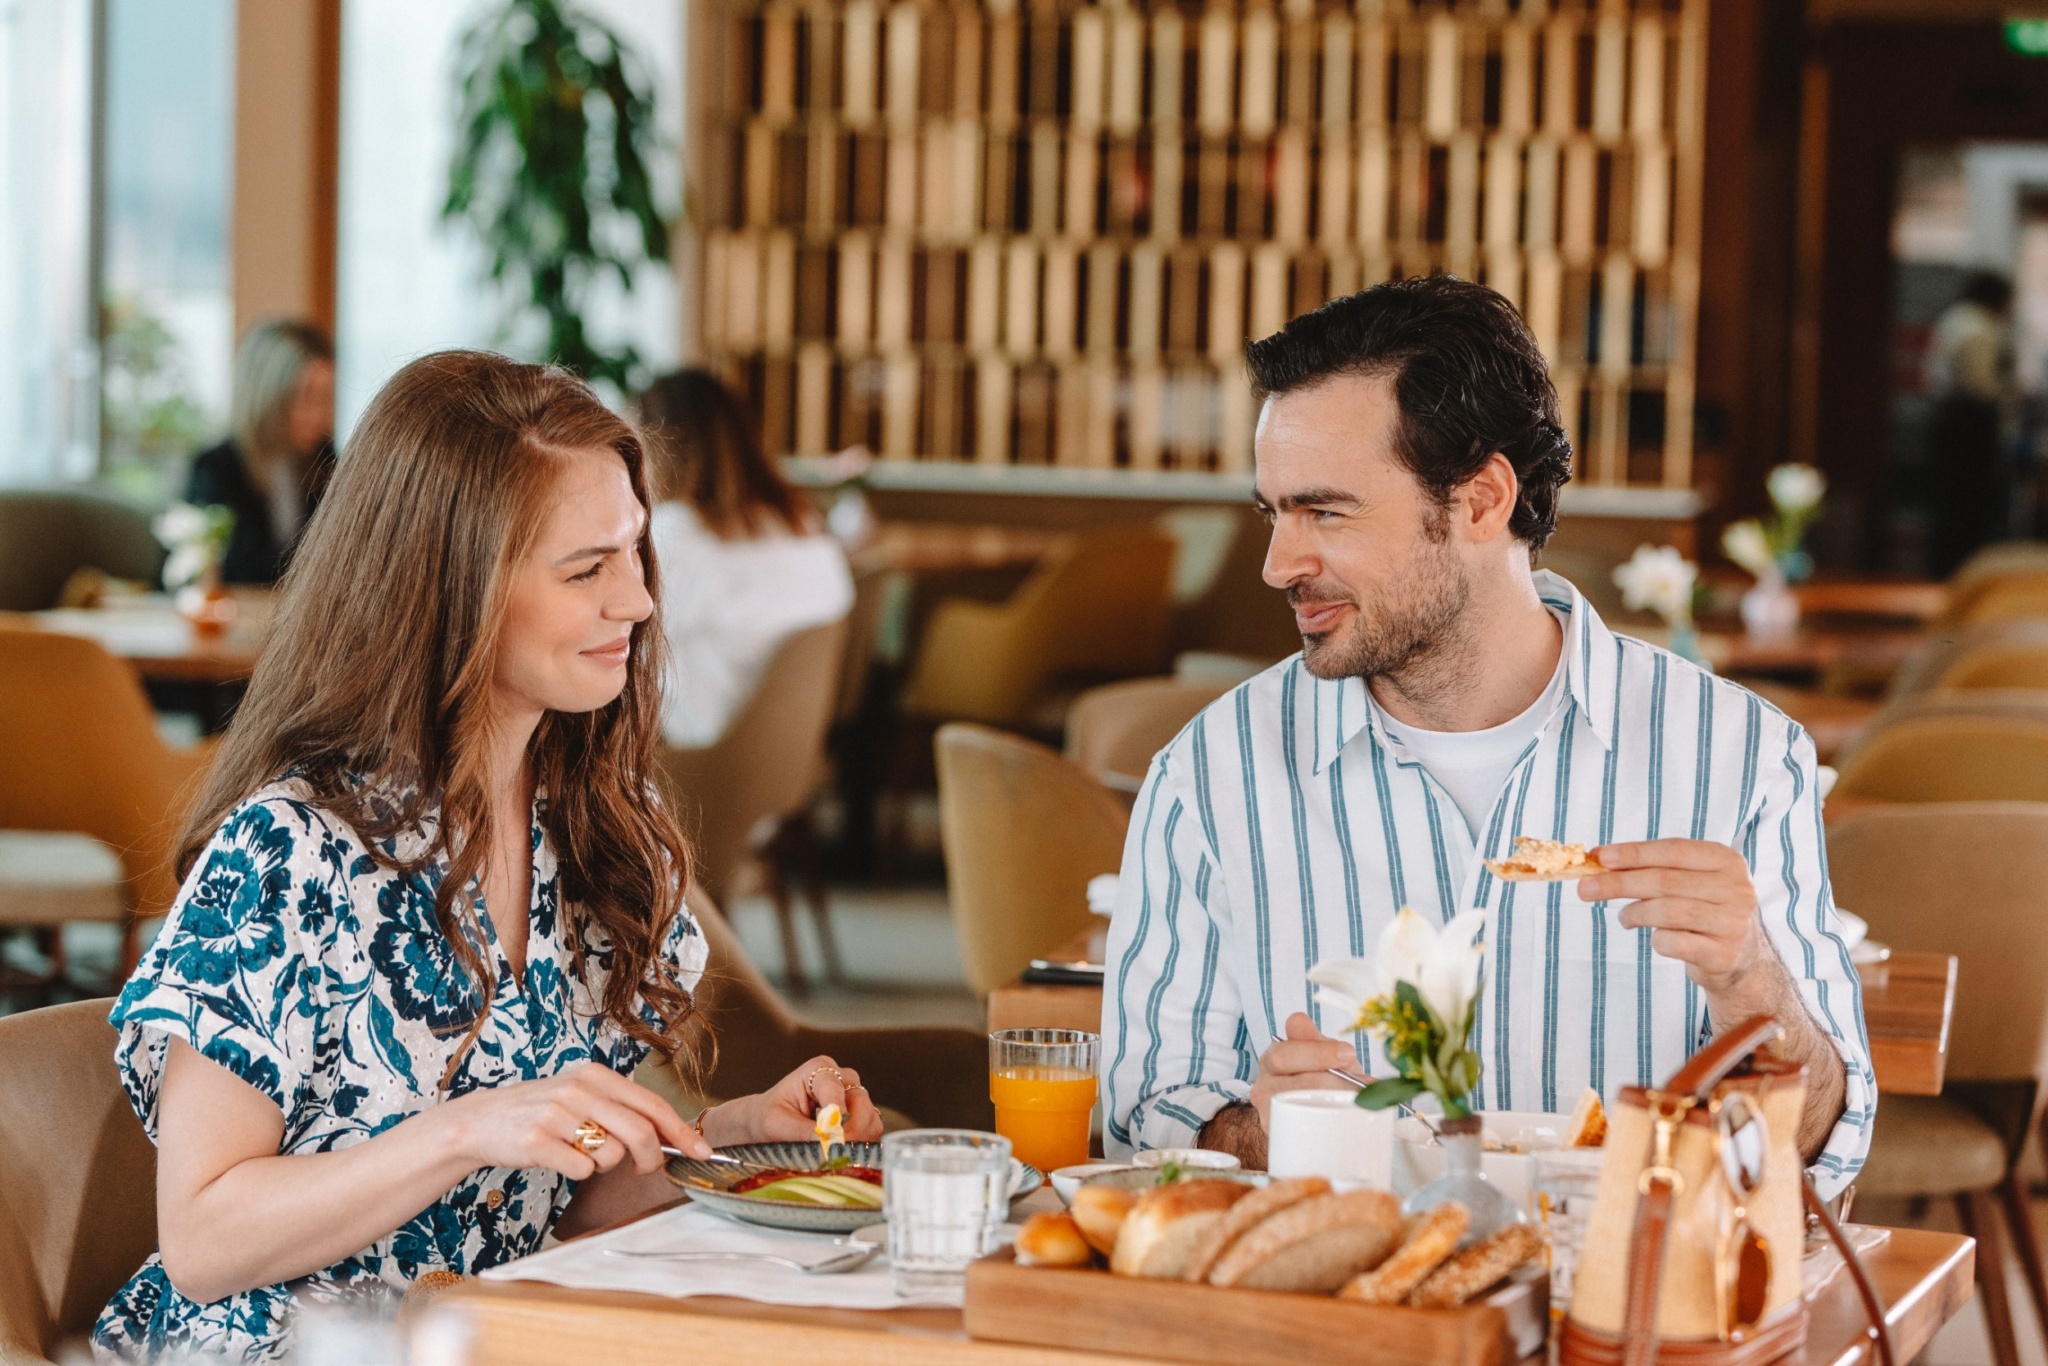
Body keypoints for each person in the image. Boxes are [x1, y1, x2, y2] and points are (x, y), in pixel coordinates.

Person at [96, 352, 884, 1362]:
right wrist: (469, 1127)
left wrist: (733, 1135)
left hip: (484, 1337)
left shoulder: (596, 833)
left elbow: (561, 1208)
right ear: (454, 588)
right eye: (586, 567)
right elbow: (202, 1240)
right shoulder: (288, 853)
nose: (638, 602)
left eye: (636, 553)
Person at [1101, 277, 1872, 1201]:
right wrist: (1265, 1130)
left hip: (1627, 1320)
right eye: (1275, 513)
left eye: (1326, 512)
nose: (1279, 564)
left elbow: (1826, 1143)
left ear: (1480, 501)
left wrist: (1750, 978)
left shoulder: (1741, 757)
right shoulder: (1209, 773)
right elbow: (1140, 1123)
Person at [637, 369, 854, 748]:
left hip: (692, 766)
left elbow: (620, 652)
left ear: (658, 447)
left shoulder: (676, 536)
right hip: (790, 761)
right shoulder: (809, 531)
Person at [185, 319, 338, 585]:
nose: (319, 416)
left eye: (326, 399)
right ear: (266, 395)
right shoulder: (217, 468)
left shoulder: (328, 461)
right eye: (304, 397)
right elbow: (210, 569)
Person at [1924, 271, 2015, 577]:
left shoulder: (1956, 319)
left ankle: (1945, 572)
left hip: (1950, 422)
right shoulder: (1976, 328)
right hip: (1968, 426)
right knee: (1967, 507)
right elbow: (1981, 386)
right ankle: (1959, 577)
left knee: (1950, 506)